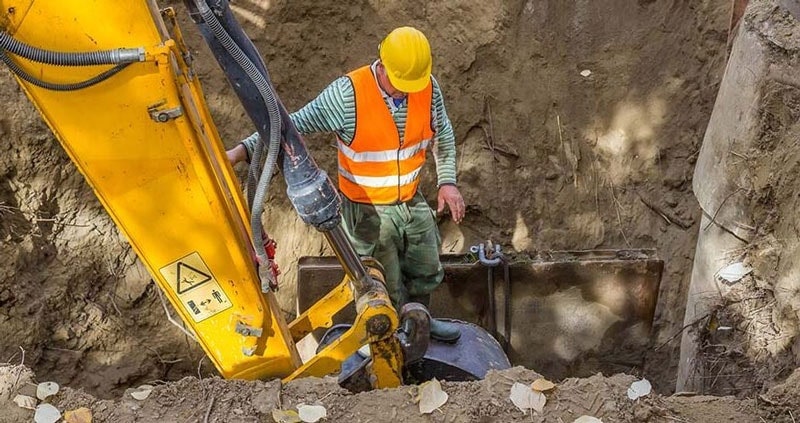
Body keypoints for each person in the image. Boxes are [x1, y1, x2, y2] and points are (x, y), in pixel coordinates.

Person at [227, 26, 465, 342]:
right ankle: (391, 344)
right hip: (367, 211)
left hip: (411, 200)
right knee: (383, 282)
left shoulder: (427, 88)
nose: (406, 93)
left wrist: (447, 181)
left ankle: (420, 323)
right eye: (400, 85)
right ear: (383, 65)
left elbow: (442, 133)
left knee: (425, 267)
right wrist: (240, 152)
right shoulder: (347, 96)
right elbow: (289, 126)